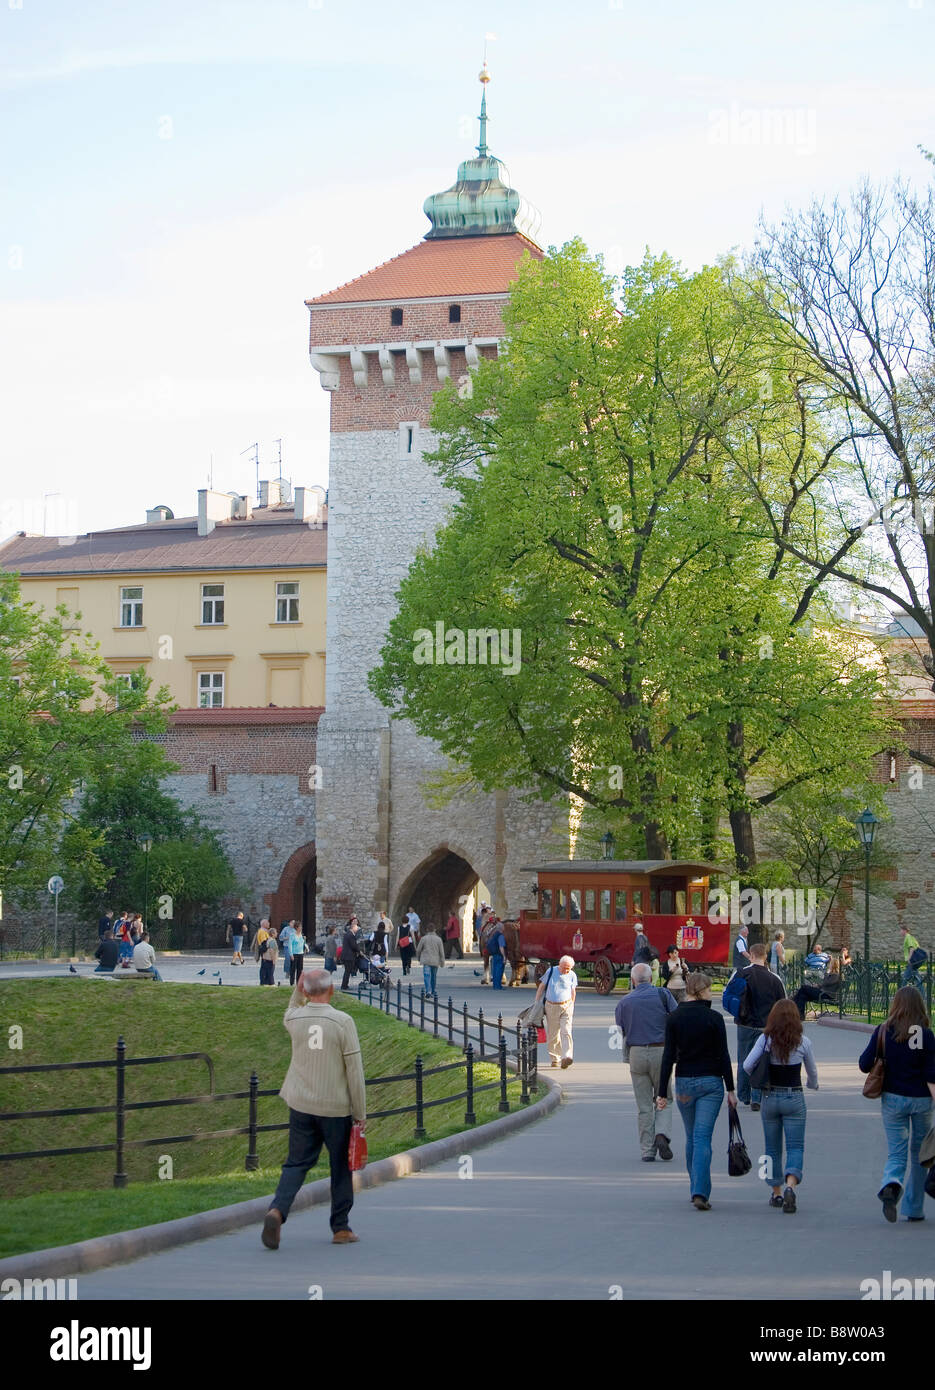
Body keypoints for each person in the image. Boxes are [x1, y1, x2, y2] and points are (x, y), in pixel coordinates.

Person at [262, 969, 367, 1249]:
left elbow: (291, 1007)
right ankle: (340, 1227)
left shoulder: (294, 1019)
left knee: (296, 1163)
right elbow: (354, 1071)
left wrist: (298, 991)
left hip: (301, 1103)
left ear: (306, 991)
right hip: (335, 1107)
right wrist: (360, 1113)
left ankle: (277, 1210)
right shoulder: (343, 1022)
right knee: (340, 1166)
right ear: (332, 990)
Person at [657, 971, 737, 1210]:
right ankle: (700, 1191)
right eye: (709, 989)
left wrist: (662, 1092)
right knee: (703, 1137)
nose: (711, 993)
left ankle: (696, 1186)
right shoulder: (714, 1018)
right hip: (711, 1083)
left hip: (684, 1083)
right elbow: (723, 1055)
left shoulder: (674, 1018)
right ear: (701, 991)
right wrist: (731, 1089)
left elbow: (668, 1056)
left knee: (692, 1137)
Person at [859, 985, 935, 1222]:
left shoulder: (884, 1031)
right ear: (920, 1006)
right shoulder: (926, 1035)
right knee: (921, 1155)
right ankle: (914, 1209)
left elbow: (864, 1063)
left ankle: (891, 1185)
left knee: (896, 1152)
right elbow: (932, 1074)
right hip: (922, 1100)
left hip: (893, 1099)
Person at [743, 999, 818, 1212]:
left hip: (769, 1097)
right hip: (794, 1097)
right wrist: (813, 1085)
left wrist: (760, 1076)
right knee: (796, 1146)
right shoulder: (803, 1042)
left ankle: (775, 1192)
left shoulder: (765, 1040)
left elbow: (747, 1065)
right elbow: (812, 1072)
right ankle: (790, 1186)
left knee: (771, 1149)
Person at [615, 961, 678, 1159]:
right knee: (664, 1097)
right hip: (661, 1051)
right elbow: (676, 1017)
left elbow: (621, 1027)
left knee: (643, 1106)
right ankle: (661, 1133)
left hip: (636, 1053)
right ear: (651, 978)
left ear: (633, 980)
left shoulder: (625, 1002)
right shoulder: (663, 994)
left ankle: (647, 1150)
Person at [735, 942, 786, 1109]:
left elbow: (730, 997)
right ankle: (757, 1095)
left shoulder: (741, 974)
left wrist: (738, 1014)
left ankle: (744, 1095)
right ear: (765, 957)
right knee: (761, 1060)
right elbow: (782, 1004)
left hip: (745, 1024)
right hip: (766, 1026)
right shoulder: (775, 979)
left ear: (751, 955)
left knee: (744, 1059)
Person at [534, 954, 578, 1068]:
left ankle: (567, 1056)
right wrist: (537, 1002)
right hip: (551, 1006)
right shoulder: (551, 971)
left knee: (566, 1031)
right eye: (564, 968)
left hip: (566, 1005)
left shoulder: (572, 975)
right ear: (559, 964)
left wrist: (572, 1005)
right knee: (553, 1034)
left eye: (568, 968)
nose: (566, 971)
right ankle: (555, 1058)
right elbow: (542, 986)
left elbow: (573, 991)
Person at [416, 926, 446, 998]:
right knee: (433, 976)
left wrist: (419, 958)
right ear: (435, 930)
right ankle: (433, 990)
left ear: (427, 930)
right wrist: (442, 962)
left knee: (427, 976)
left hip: (426, 960)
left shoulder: (423, 939)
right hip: (435, 961)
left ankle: (428, 991)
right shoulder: (438, 939)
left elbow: (418, 950)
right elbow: (441, 952)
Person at [340, 917, 361, 992]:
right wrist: (359, 951)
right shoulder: (351, 935)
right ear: (353, 928)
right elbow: (354, 946)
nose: (357, 930)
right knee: (347, 971)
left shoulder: (348, 934)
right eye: (356, 929)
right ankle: (344, 986)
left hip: (346, 955)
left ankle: (345, 985)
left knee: (347, 971)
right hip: (349, 956)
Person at [486, 918, 507, 990]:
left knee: (495, 970)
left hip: (494, 954)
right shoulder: (501, 936)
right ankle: (498, 986)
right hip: (499, 955)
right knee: (499, 970)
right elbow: (501, 947)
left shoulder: (494, 935)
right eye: (503, 927)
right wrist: (504, 956)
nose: (504, 928)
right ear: (502, 928)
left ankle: (495, 985)